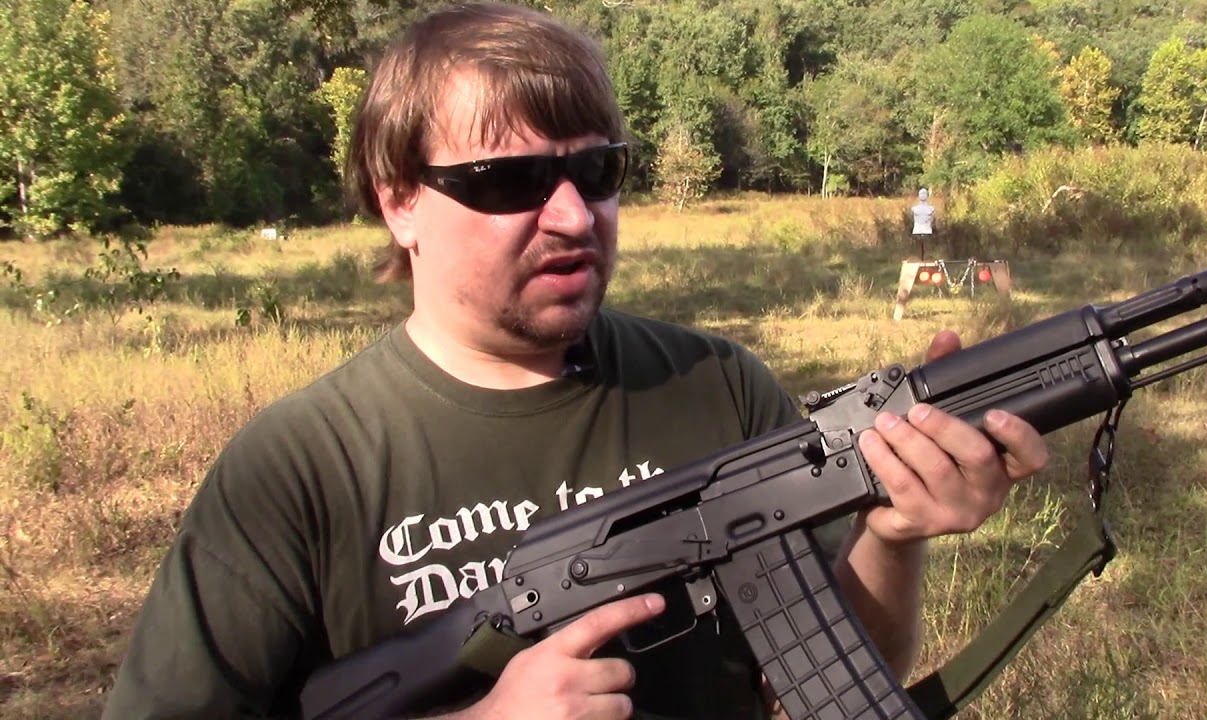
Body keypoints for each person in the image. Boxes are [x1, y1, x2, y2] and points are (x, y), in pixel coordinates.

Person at [102, 4, 1048, 719]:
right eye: (511, 181)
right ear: (398, 201)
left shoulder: (716, 386)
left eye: (596, 171)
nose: (571, 215)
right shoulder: (300, 467)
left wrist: (893, 534)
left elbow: (832, 684)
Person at [911, 188, 935, 261]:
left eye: (924, 193)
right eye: (921, 193)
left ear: (927, 195)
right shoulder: (914, 208)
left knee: (927, 255)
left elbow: (932, 219)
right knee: (917, 255)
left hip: (927, 231)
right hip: (917, 231)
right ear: (918, 196)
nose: (923, 195)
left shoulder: (931, 208)